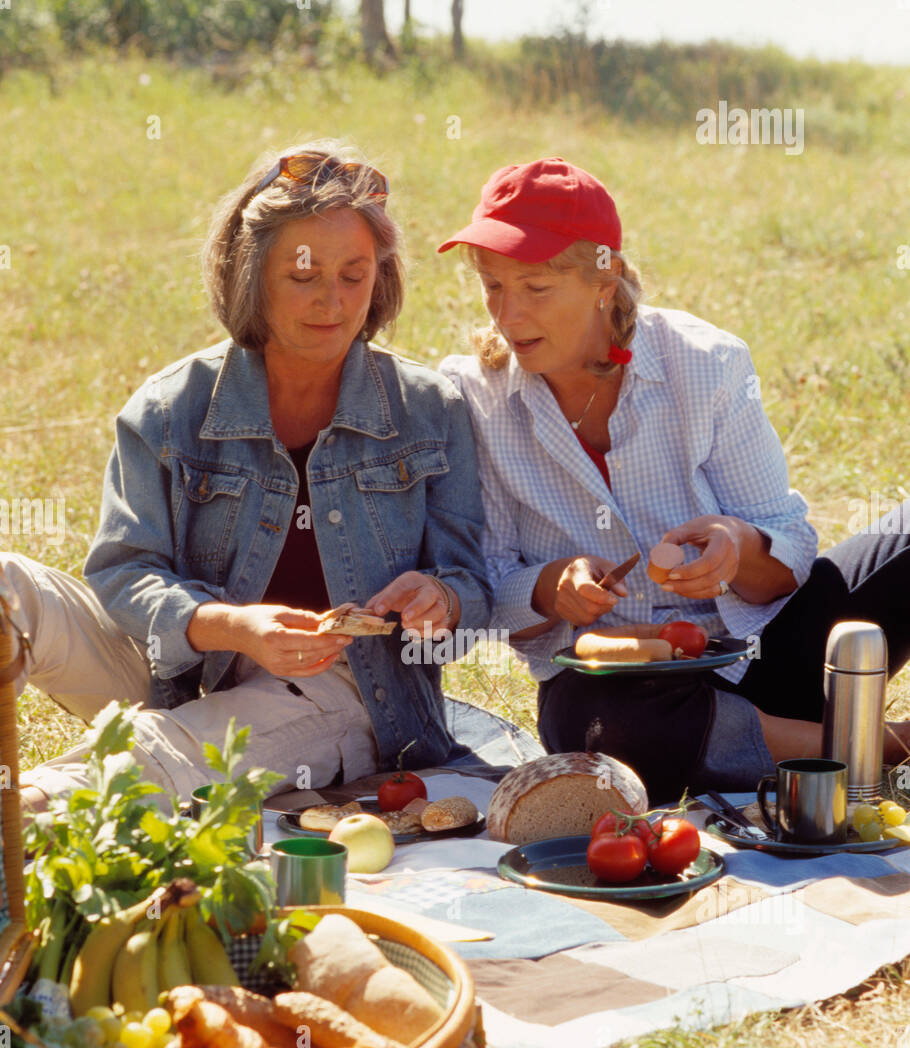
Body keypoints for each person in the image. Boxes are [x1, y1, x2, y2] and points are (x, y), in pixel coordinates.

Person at [9, 140, 491, 813]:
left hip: (349, 694)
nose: (332, 300)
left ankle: (26, 807)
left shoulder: (426, 410)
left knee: (166, 751)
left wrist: (440, 598)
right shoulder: (170, 407)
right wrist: (231, 627)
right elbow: (124, 571)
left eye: (354, 275)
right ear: (250, 275)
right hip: (178, 675)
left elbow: (473, 580)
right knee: (6, 585)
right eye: (303, 275)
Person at [438, 157, 910, 805]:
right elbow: (481, 584)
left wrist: (736, 546)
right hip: (623, 696)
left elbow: (791, 554)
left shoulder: (706, 363)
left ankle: (782, 742)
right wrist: (550, 587)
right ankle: (877, 744)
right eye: (492, 286)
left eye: (536, 288)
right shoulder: (474, 401)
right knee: (602, 733)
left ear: (604, 283)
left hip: (764, 660)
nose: (508, 314)